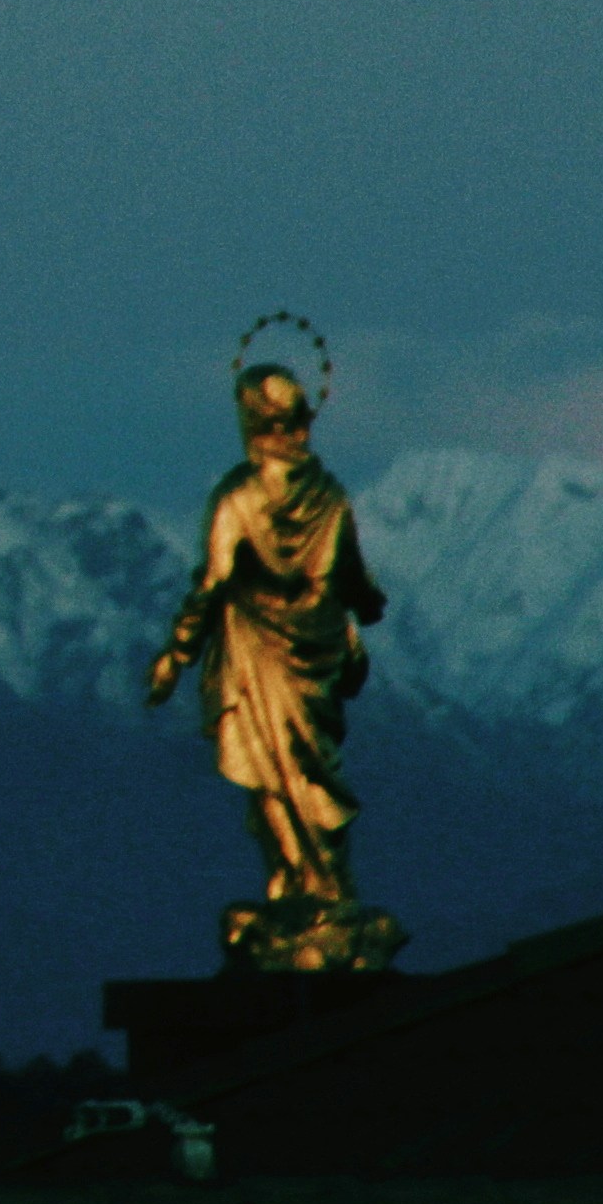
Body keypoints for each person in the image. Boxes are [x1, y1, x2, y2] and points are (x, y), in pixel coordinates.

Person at [144, 359, 395, 962]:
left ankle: (303, 886)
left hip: (255, 653)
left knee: (274, 782)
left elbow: (209, 583)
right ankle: (316, 888)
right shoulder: (329, 499)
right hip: (317, 654)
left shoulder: (238, 498)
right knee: (311, 770)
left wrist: (176, 655)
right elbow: (357, 584)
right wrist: (366, 604)